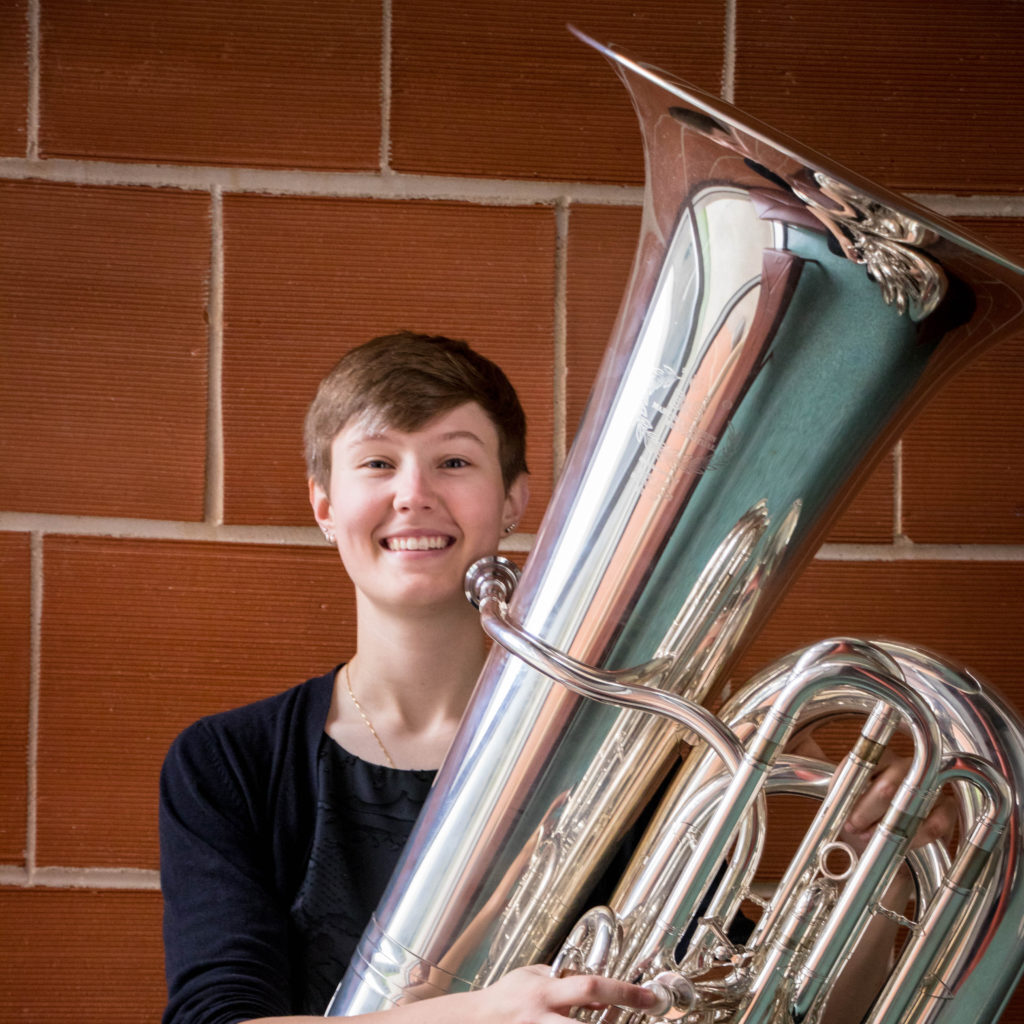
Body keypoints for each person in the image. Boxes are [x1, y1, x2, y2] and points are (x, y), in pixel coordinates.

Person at [160, 331, 952, 1024]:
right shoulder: (230, 764)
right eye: (377, 462)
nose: (413, 494)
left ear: (512, 501)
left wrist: (868, 878)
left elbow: (774, 1010)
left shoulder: (635, 749)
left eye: (453, 461)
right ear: (325, 505)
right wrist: (478, 1016)